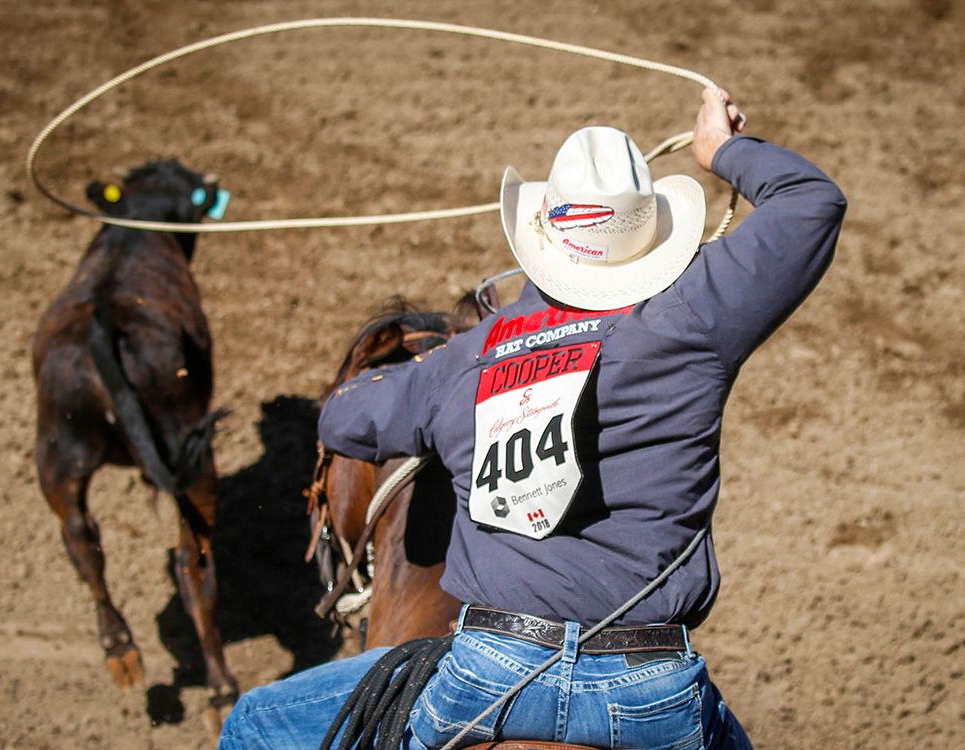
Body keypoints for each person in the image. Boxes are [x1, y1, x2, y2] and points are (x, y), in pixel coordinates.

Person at [219, 87, 846, 749]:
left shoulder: (467, 361)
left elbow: (345, 420)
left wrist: (406, 377)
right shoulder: (690, 320)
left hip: (486, 679)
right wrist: (721, 149)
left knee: (255, 723)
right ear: (651, 233)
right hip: (651, 691)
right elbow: (811, 202)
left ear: (542, 233)